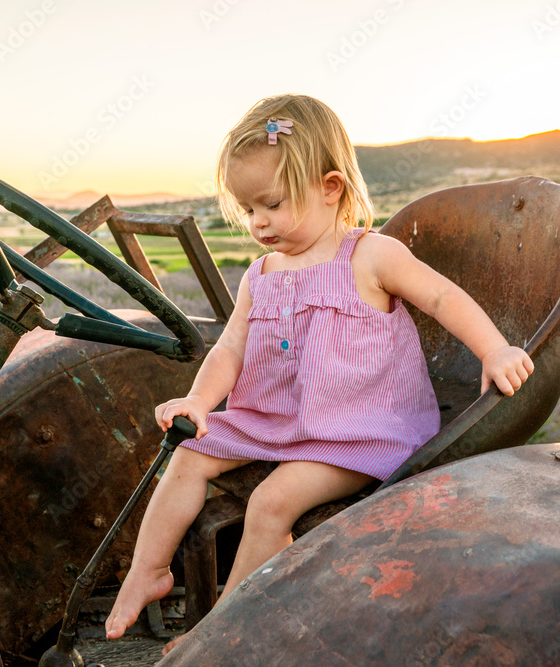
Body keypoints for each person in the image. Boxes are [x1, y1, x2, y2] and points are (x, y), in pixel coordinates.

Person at [104, 94, 534, 654]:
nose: (258, 222)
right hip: (284, 418)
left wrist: (494, 350)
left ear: (330, 187)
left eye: (272, 205)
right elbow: (231, 347)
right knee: (188, 453)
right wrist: (199, 402)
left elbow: (442, 297)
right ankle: (149, 570)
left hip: (358, 428)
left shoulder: (369, 256)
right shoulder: (261, 274)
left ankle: (217, 637)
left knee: (271, 502)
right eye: (247, 209)